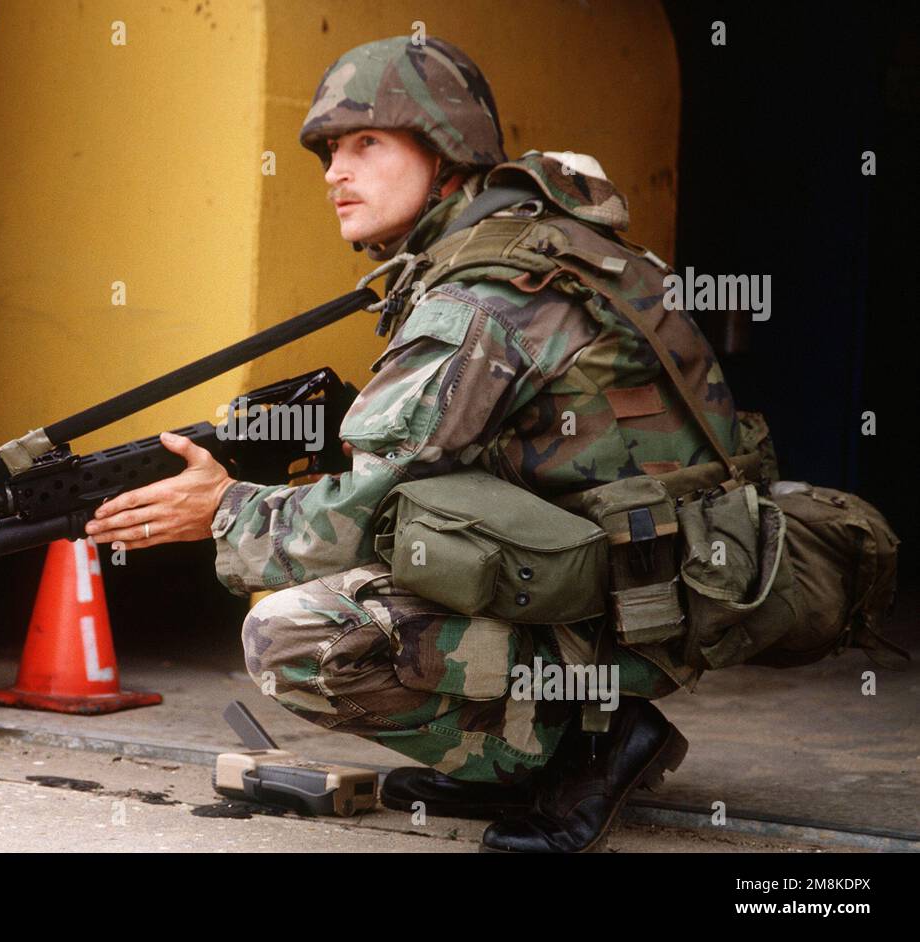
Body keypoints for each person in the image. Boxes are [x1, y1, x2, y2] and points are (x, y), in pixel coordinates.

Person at [83, 35, 738, 853]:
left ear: (447, 153)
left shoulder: (484, 296)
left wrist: (223, 510)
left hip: (637, 612)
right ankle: (509, 757)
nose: (335, 172)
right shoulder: (543, 250)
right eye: (329, 150)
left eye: (367, 142)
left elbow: (360, 514)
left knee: (296, 636)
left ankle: (587, 745)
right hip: (659, 584)